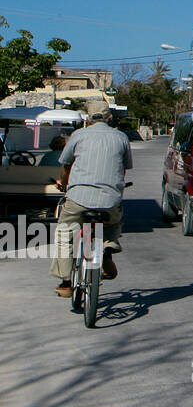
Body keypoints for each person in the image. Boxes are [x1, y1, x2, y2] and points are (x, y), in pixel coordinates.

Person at [50, 111, 132, 297]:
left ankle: (65, 281)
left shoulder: (78, 136)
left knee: (64, 233)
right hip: (109, 199)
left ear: (87, 119)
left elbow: (65, 164)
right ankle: (109, 245)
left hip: (79, 198)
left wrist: (65, 183)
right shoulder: (121, 137)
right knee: (113, 222)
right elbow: (123, 169)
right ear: (110, 117)